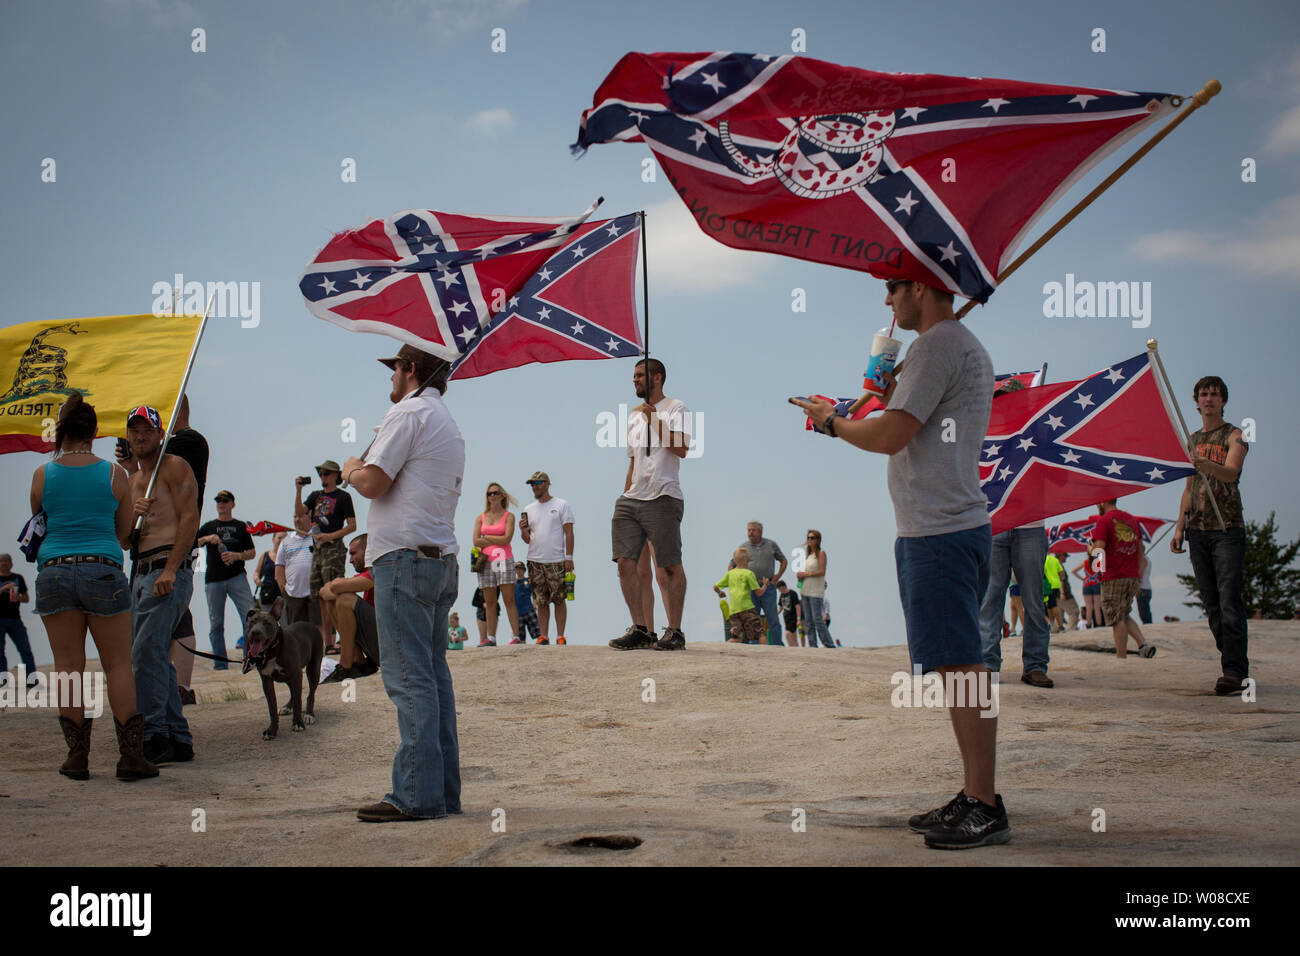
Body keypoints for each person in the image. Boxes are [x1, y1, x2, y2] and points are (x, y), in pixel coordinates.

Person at [795, 276, 1005, 849]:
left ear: (919, 286)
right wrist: (887, 392)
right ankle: (974, 795)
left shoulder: (940, 346)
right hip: (938, 527)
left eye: (893, 287)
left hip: (940, 531)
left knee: (961, 668)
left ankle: (985, 804)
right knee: (954, 665)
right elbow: (915, 424)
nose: (886, 301)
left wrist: (831, 421)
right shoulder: (942, 348)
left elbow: (892, 436)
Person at [342, 344, 464, 823]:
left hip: (403, 561)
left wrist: (351, 466)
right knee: (433, 678)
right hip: (439, 560)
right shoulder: (446, 421)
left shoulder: (408, 412)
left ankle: (415, 795)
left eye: (394, 367)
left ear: (410, 370)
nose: (390, 377)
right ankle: (442, 793)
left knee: (410, 678)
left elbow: (373, 483)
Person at [28, 394, 158, 780]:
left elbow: (38, 522)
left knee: (69, 667)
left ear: (62, 431)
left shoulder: (41, 474)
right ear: (95, 432)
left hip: (53, 571)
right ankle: (131, 757)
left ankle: (77, 758)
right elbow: (121, 535)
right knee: (118, 663)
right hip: (102, 569)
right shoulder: (114, 475)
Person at [124, 403, 200, 765]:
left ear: (160, 433)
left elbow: (190, 518)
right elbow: (124, 540)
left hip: (167, 568)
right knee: (154, 656)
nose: (140, 437)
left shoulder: (173, 466)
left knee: (145, 654)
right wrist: (131, 516)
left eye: (146, 430)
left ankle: (153, 735)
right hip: (140, 572)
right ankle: (179, 739)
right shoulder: (135, 481)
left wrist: (171, 569)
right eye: (134, 431)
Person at [1171, 375, 1249, 696]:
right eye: (1204, 394)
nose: (1209, 399)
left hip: (1227, 527)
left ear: (1223, 401)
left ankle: (1234, 670)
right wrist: (1179, 525)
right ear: (1196, 401)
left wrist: (1207, 465)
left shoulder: (1235, 435)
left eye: (1215, 394)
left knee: (1229, 599)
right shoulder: (1191, 440)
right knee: (1212, 603)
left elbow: (1232, 472)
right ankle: (1229, 659)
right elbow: (1188, 488)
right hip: (1198, 530)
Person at [609, 359, 691, 651]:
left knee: (668, 566)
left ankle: (675, 631)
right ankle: (642, 628)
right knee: (625, 562)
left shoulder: (676, 408)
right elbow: (633, 460)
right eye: (633, 376)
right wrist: (626, 492)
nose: (635, 381)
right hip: (633, 496)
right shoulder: (633, 416)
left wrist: (654, 418)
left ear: (657, 378)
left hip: (663, 495)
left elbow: (682, 448)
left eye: (640, 375)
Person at [295, 461, 357, 655]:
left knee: (333, 593)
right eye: (320, 474)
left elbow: (352, 525)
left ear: (335, 476)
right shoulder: (315, 496)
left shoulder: (343, 497)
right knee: (321, 596)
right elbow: (299, 514)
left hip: (334, 549)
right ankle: (327, 642)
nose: (323, 477)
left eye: (326, 474)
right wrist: (298, 491)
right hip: (318, 550)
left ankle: (341, 639)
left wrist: (330, 536)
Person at [196, 490, 256, 670]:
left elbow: (252, 553)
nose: (221, 504)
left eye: (225, 501)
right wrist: (208, 538)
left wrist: (236, 556)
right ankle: (220, 663)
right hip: (214, 579)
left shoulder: (240, 526)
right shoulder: (208, 526)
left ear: (232, 504)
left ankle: (250, 659)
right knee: (216, 623)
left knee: (250, 618)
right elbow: (192, 542)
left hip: (237, 577)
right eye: (219, 501)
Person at [1090, 499, 1155, 660]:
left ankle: (1121, 657)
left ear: (1102, 503)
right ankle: (1143, 645)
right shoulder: (1132, 520)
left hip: (1114, 575)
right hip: (1132, 574)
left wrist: (1096, 565)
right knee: (1124, 613)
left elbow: (1099, 547)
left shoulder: (1104, 521)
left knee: (1115, 616)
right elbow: (1140, 549)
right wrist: (1139, 573)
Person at [520, 471, 574, 645]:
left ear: (548, 483)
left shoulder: (561, 504)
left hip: (557, 560)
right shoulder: (528, 509)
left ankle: (560, 635)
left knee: (559, 598)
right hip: (535, 559)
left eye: (538, 483)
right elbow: (528, 539)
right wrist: (523, 530)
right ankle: (543, 636)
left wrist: (569, 557)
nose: (535, 487)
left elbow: (569, 532)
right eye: (532, 484)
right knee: (541, 600)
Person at [320, 533, 380, 682]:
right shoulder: (366, 574)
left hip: (387, 643)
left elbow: (333, 587)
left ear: (367, 551)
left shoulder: (378, 570)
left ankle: (345, 665)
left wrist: (335, 588)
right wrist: (335, 590)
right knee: (337, 599)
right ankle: (357, 659)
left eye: (354, 554)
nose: (351, 560)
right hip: (376, 642)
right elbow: (324, 591)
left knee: (345, 599)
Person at [473, 482, 522, 643]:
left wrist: (486, 538)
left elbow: (507, 538)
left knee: (509, 599)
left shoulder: (509, 516)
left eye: (495, 493)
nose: (492, 496)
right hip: (485, 561)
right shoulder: (481, 517)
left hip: (504, 559)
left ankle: (515, 635)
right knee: (490, 601)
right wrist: (494, 540)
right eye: (489, 494)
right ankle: (491, 637)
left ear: (502, 495)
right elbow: (475, 541)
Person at [730, 521, 788, 646]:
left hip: (768, 587)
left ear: (760, 532)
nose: (750, 533)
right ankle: (754, 645)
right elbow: (731, 565)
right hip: (750, 589)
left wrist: (777, 577)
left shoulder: (771, 545)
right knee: (752, 619)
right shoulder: (743, 548)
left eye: (753, 530)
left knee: (772, 618)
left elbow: (783, 560)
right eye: (749, 530)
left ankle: (778, 644)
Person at [0, 553, 38, 688]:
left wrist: (18, 597)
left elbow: (26, 598)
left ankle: (32, 678)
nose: (4, 563)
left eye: (6, 561)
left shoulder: (18, 578)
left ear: (11, 563)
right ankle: (2, 679)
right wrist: (4, 588)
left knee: (25, 648)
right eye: (2, 561)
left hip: (15, 619)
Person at [714, 548, 768, 643]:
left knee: (737, 637)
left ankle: (723, 648)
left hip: (733, 611)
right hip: (747, 608)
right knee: (761, 633)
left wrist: (720, 593)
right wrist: (765, 585)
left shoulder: (730, 574)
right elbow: (758, 593)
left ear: (735, 561)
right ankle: (766, 656)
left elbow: (715, 587)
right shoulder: (749, 574)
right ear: (748, 560)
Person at [275, 514, 316, 626]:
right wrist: (284, 590)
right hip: (293, 594)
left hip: (316, 593)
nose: (297, 519)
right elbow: (279, 565)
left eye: (301, 516)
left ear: (310, 518)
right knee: (297, 629)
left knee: (318, 628)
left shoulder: (317, 537)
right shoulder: (286, 541)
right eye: (295, 517)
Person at [796, 531, 834, 648]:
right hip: (805, 590)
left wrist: (806, 574)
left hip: (815, 591)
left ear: (818, 540)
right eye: (808, 538)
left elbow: (822, 572)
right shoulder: (808, 555)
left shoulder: (821, 554)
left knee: (817, 619)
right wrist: (800, 579)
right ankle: (812, 644)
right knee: (808, 620)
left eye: (812, 538)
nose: (810, 540)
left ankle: (828, 644)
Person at [254, 531, 286, 609]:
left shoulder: (289, 556)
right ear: (273, 539)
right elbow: (257, 572)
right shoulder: (265, 555)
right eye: (279, 538)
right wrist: (257, 580)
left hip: (283, 594)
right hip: (268, 594)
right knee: (267, 619)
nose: (282, 540)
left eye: (285, 538)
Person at [511, 563, 541, 644]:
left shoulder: (528, 581)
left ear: (524, 570)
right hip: (518, 612)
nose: (519, 570)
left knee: (538, 632)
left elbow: (534, 593)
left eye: (520, 568)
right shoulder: (513, 584)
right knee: (520, 637)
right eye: (517, 569)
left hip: (529, 609)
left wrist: (535, 605)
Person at [1073, 556, 1102, 628]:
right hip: (1097, 584)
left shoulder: (1085, 562)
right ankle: (1099, 625)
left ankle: (1088, 625)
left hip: (1087, 585)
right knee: (1097, 607)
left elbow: (1074, 571)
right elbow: (1103, 573)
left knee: (1089, 608)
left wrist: (1083, 579)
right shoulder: (1099, 562)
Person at [1044, 550, 1067, 633]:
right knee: (1049, 605)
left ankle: (1059, 625)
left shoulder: (1042, 560)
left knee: (1052, 606)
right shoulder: (1055, 560)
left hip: (1047, 585)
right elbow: (1061, 573)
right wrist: (1060, 579)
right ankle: (1052, 624)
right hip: (1056, 584)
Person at [1057, 556, 1081, 631]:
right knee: (1074, 611)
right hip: (1064, 594)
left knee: (1059, 614)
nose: (1066, 558)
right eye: (1065, 555)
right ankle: (1071, 629)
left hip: (1055, 594)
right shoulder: (1059, 566)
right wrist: (1062, 593)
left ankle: (1056, 630)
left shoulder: (1052, 563)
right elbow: (1061, 580)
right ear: (1061, 555)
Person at [777, 580, 802, 647]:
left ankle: (791, 648)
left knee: (788, 633)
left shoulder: (792, 593)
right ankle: (796, 648)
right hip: (786, 618)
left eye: (780, 589)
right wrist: (775, 614)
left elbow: (797, 606)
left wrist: (798, 619)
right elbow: (780, 607)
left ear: (784, 586)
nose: (779, 591)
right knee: (793, 635)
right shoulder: (781, 595)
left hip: (793, 617)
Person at [1136, 554, 1153, 625]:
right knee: (1146, 609)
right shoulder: (1147, 559)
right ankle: (1148, 624)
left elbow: (1140, 574)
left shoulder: (1143, 560)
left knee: (1143, 611)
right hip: (1147, 587)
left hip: (1142, 588)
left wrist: (1136, 587)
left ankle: (1148, 625)